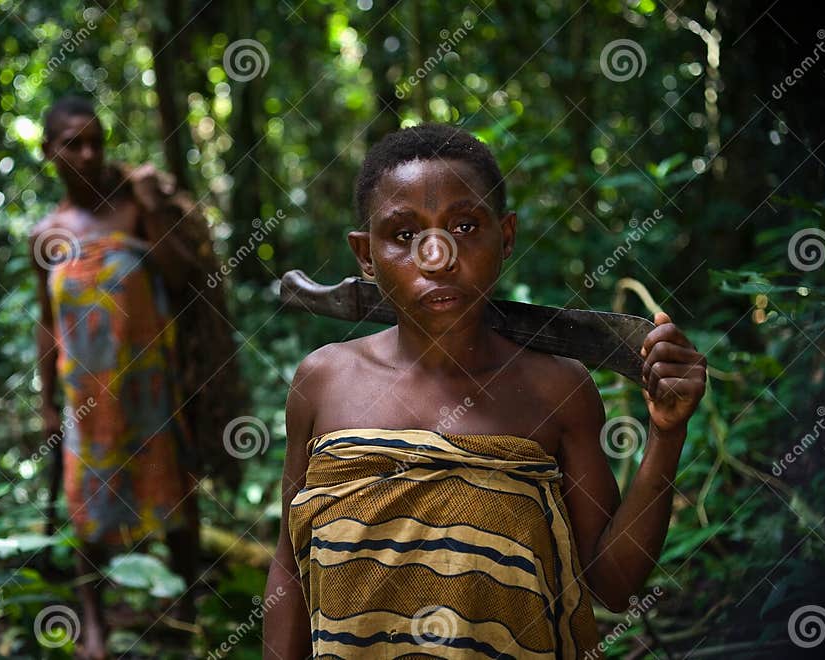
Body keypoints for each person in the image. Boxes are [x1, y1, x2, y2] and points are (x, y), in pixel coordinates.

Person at [263, 123, 707, 659]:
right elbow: (291, 565)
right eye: (403, 235)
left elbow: (613, 585)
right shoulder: (323, 381)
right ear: (365, 254)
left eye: (465, 226)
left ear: (507, 236)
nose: (437, 256)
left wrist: (666, 434)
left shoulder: (558, 390)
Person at [31, 95, 201, 660]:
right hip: (87, 394)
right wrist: (47, 402)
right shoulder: (47, 233)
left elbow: (180, 275)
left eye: (96, 142)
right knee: (88, 502)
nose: (88, 154)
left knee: (172, 490)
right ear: (48, 151)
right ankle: (94, 620)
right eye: (72, 144)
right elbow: (46, 321)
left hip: (149, 383)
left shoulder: (133, 207)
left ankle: (189, 609)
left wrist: (151, 207)